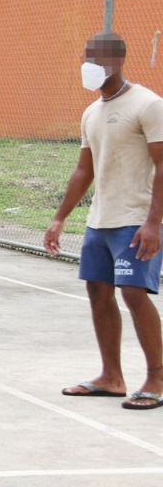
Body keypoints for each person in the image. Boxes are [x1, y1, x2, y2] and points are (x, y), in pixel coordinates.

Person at [45, 33, 163, 411]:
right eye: (85, 56)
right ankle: (111, 377)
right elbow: (84, 170)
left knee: (132, 292)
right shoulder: (91, 112)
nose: (86, 62)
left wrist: (154, 223)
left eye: (93, 57)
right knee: (98, 292)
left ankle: (157, 377)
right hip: (100, 221)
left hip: (136, 219)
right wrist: (60, 218)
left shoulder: (147, 104)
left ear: (116, 60)